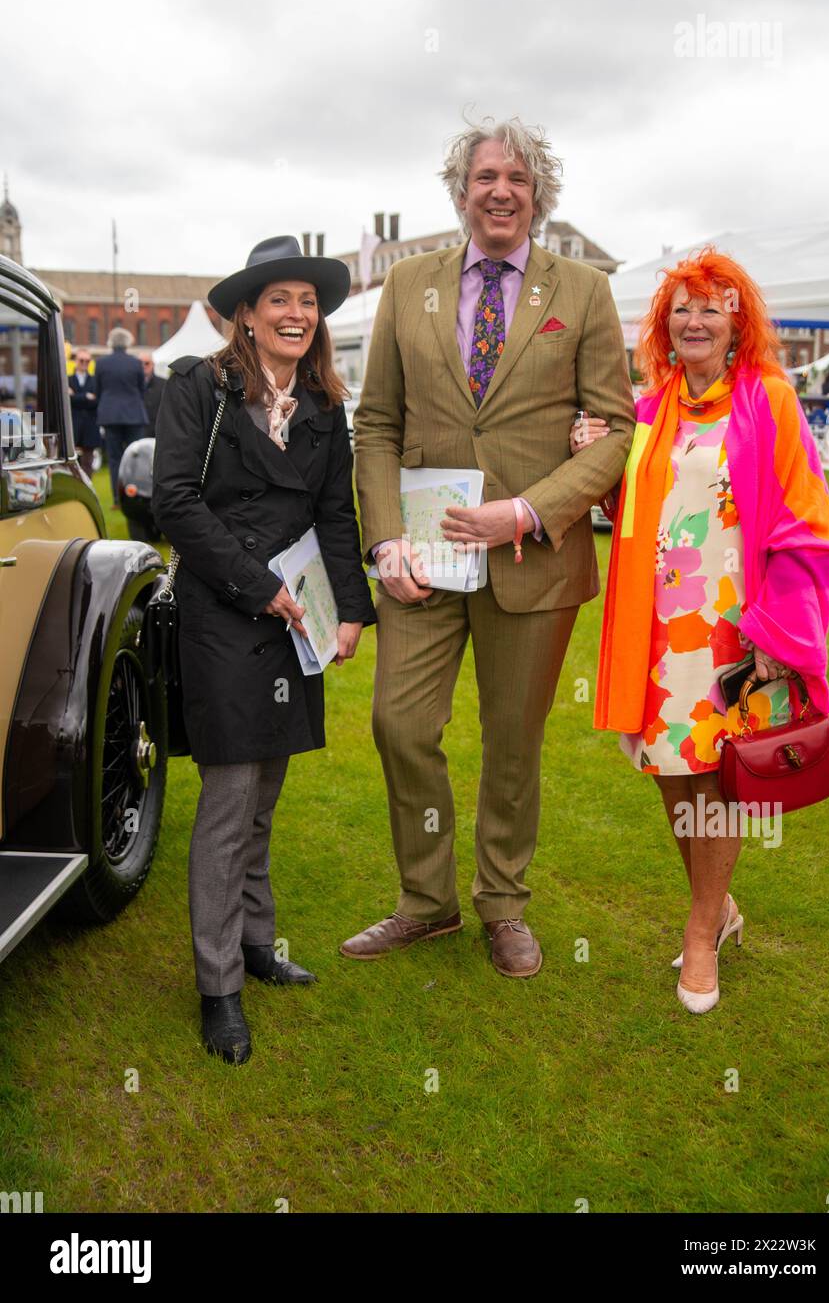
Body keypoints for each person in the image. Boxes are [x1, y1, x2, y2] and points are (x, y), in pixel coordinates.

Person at [341, 117, 635, 977]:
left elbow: (615, 428)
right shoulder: (407, 285)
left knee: (513, 741)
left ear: (537, 194)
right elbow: (378, 425)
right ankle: (425, 904)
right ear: (460, 192)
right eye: (484, 177)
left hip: (532, 560)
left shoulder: (582, 290)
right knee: (400, 725)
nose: (500, 190)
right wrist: (387, 540)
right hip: (424, 562)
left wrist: (528, 513)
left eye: (516, 177)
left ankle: (503, 904)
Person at [589, 248, 829, 1014]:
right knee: (675, 774)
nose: (696, 318)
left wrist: (780, 629)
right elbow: (635, 515)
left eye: (713, 306)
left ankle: (702, 936)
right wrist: (602, 471)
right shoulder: (651, 409)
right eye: (683, 306)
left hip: (740, 628)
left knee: (722, 780)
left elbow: (810, 523)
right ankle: (722, 908)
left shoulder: (767, 398)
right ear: (664, 324)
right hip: (664, 631)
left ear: (739, 324)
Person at [151, 236, 376, 1064]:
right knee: (227, 801)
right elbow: (174, 502)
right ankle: (219, 989)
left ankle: (256, 943)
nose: (295, 314)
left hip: (296, 616)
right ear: (244, 315)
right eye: (278, 299)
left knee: (265, 792)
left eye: (307, 302)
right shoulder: (198, 389)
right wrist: (256, 586)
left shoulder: (323, 405)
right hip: (225, 615)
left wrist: (348, 610)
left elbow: (337, 514)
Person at [95, 327, 149, 506]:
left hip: (110, 415)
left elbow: (98, 390)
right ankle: (138, 496)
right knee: (137, 456)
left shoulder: (101, 363)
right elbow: (142, 389)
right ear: (128, 343)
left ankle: (118, 499)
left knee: (114, 458)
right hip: (134, 414)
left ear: (111, 342)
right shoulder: (135, 363)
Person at [68, 347, 100, 478]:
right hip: (73, 426)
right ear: (76, 361)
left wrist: (75, 396)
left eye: (88, 361)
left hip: (90, 426)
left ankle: (88, 488)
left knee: (88, 463)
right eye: (82, 360)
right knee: (71, 463)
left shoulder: (95, 381)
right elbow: (66, 401)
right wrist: (86, 396)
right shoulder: (67, 380)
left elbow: (96, 401)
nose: (84, 363)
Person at [142, 354, 164, 438]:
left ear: (153, 364)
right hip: (138, 430)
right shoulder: (131, 384)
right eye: (140, 363)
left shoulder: (163, 383)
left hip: (157, 429)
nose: (143, 366)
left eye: (146, 363)